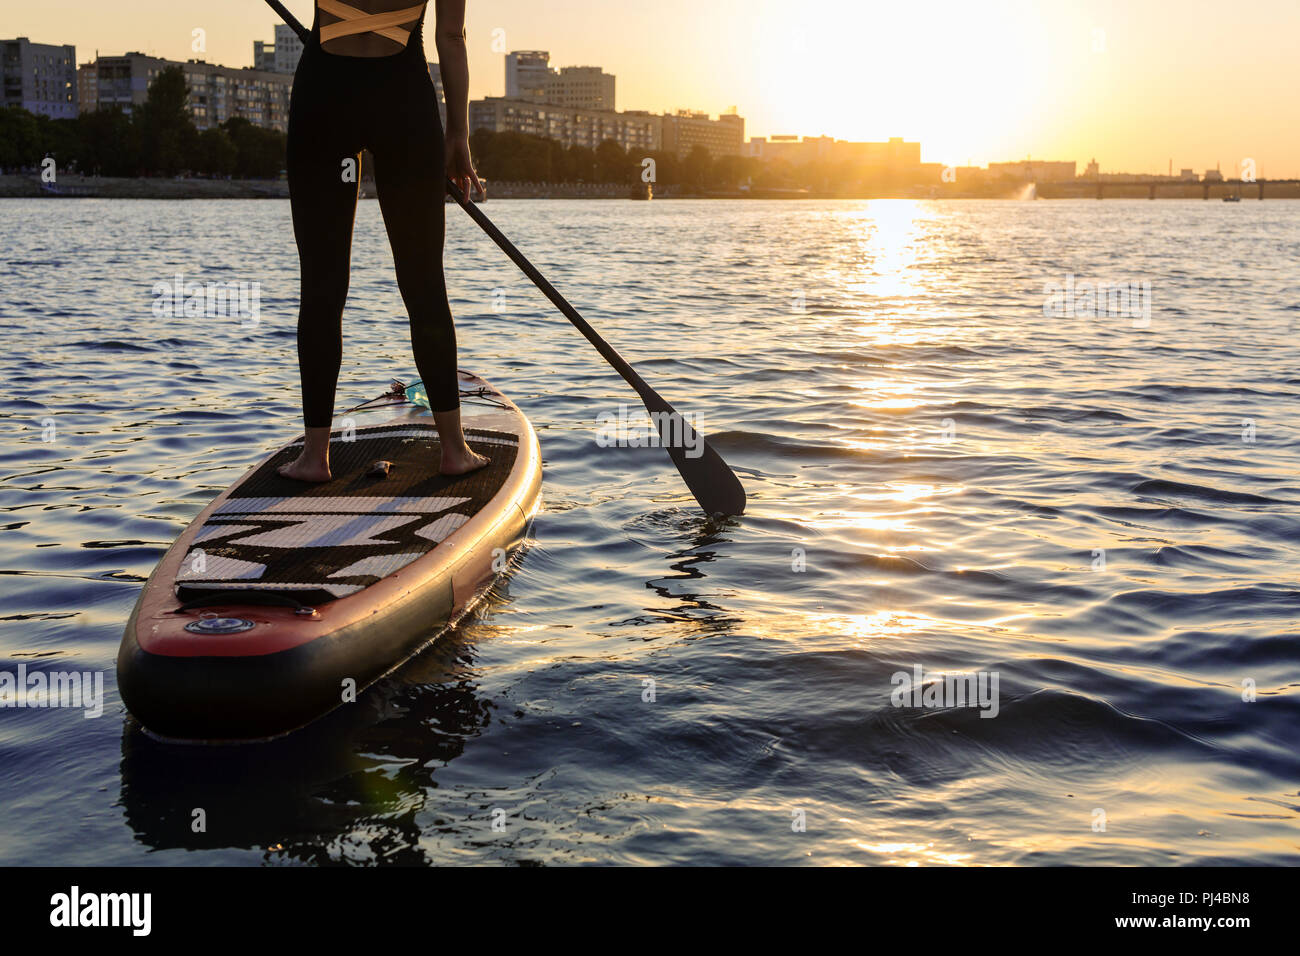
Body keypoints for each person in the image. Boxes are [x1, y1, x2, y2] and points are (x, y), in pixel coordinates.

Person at [277, 0, 486, 481]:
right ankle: (454, 451)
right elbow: (451, 39)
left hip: (324, 94)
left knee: (322, 285)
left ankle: (314, 458)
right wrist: (459, 133)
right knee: (423, 283)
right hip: (404, 100)